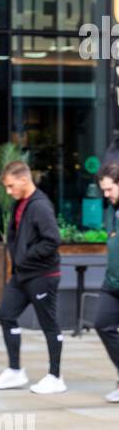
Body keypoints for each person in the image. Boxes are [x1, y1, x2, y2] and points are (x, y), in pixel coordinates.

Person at [0, 160, 65, 395]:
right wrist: (19, 259)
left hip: (42, 275)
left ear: (24, 180)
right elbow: (15, 236)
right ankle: (15, 371)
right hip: (22, 274)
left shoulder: (40, 206)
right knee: (6, 314)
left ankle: (55, 376)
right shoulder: (21, 204)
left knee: (48, 324)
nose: (9, 192)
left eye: (11, 186)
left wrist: (25, 257)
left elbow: (52, 240)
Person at [94, 161, 119, 403]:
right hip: (111, 283)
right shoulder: (112, 209)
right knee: (102, 323)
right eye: (103, 189)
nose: (106, 194)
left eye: (110, 188)